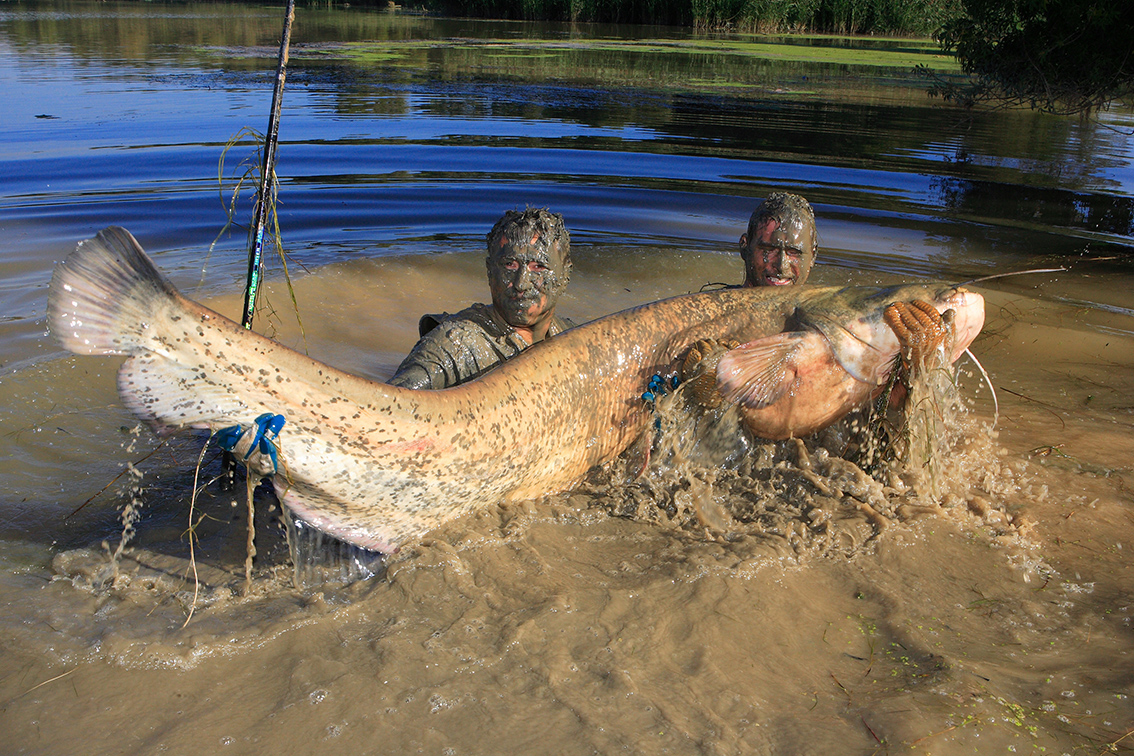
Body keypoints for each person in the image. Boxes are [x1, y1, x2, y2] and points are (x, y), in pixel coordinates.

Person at [388, 207, 574, 390]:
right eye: (509, 265)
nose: (521, 283)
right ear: (490, 271)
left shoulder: (573, 337)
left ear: (565, 275)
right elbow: (388, 407)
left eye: (538, 267)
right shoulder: (455, 344)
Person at [737, 191, 818, 288]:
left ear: (813, 255)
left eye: (793, 252)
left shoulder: (833, 301)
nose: (781, 266)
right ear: (745, 248)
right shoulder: (716, 301)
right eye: (769, 250)